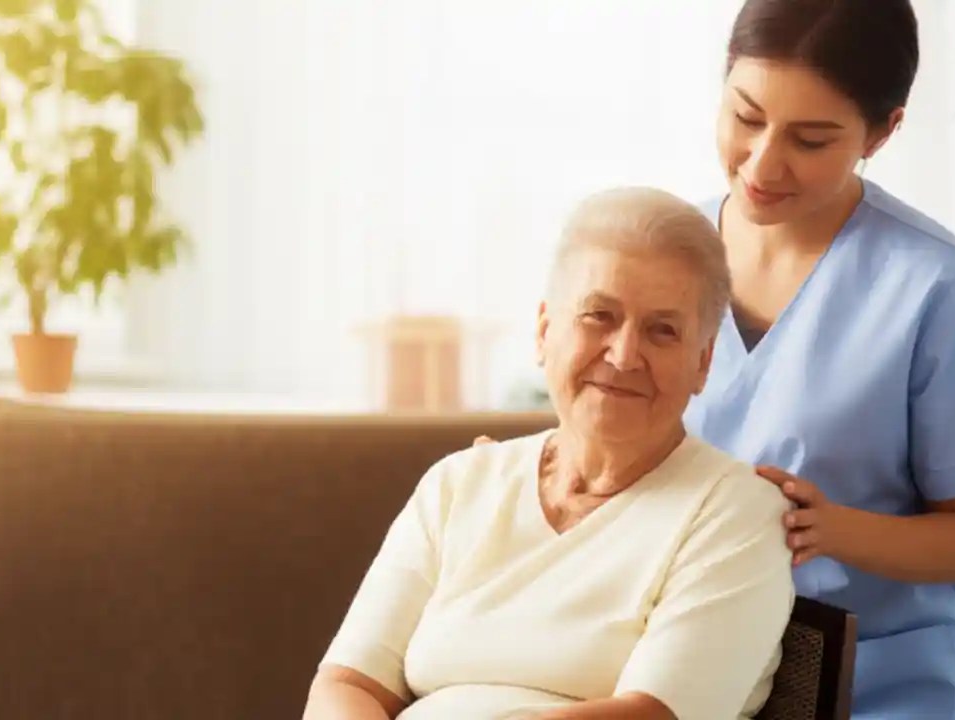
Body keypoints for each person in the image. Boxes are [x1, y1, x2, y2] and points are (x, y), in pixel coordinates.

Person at [301, 187, 796, 720]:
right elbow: (346, 685)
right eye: (599, 316)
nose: (625, 354)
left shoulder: (736, 514)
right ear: (543, 332)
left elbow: (653, 716)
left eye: (662, 330)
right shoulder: (458, 484)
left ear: (702, 364)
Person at [686, 0, 955, 718]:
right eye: (746, 117)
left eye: (811, 140)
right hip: (705, 672)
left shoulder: (938, 286)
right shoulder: (668, 252)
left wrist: (831, 529)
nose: (762, 164)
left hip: (889, 684)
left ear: (883, 132)